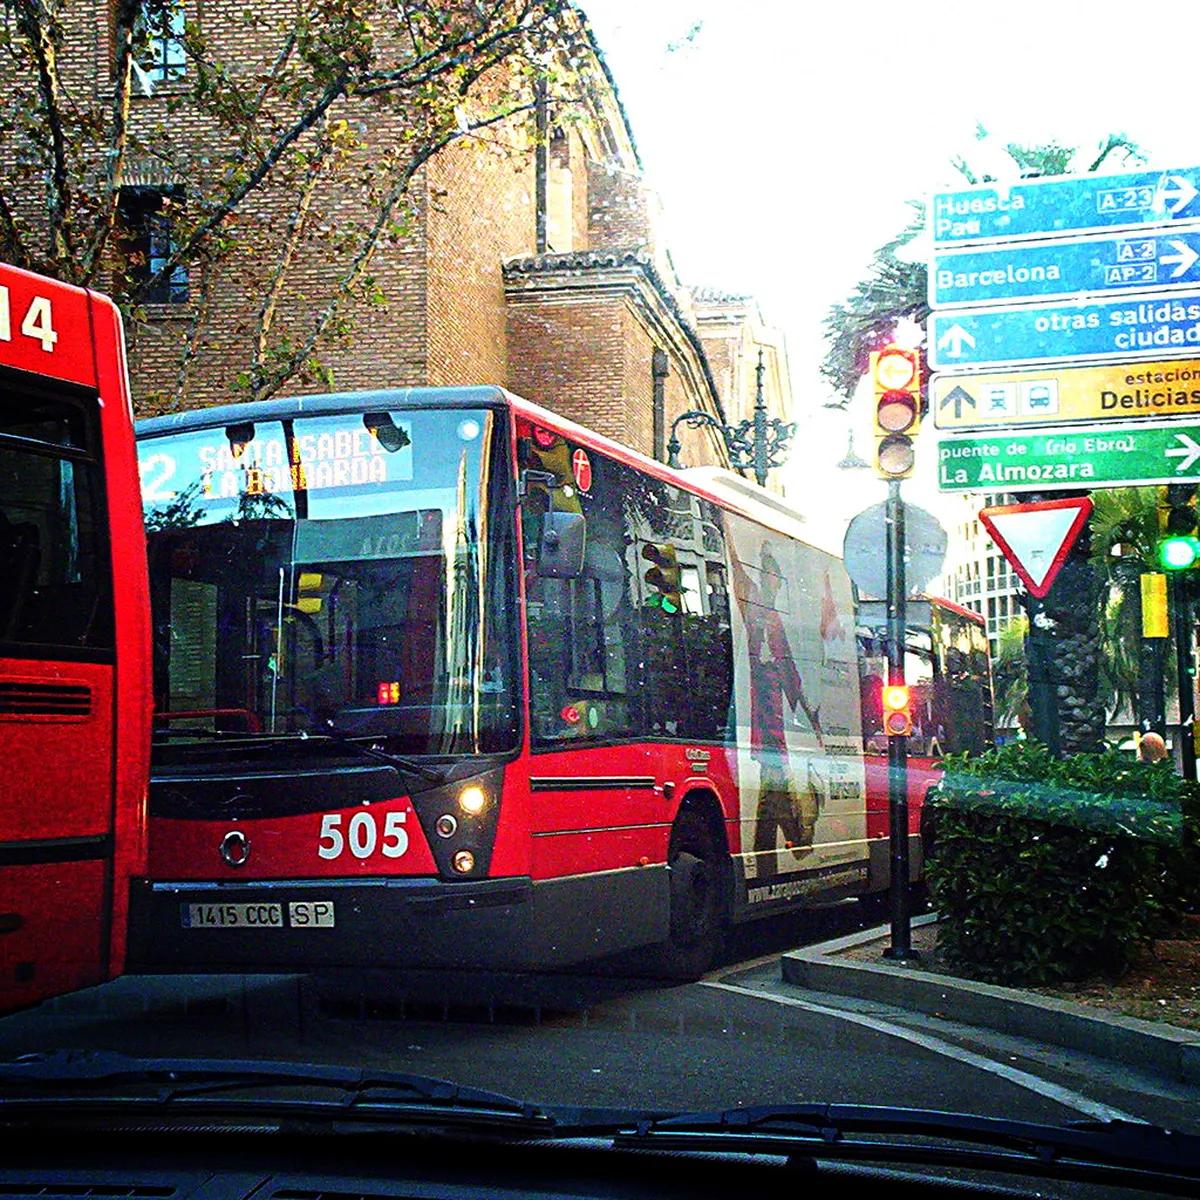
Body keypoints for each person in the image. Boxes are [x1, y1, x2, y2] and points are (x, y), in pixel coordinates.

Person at [732, 542, 824, 879]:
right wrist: (727, 534)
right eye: (770, 577)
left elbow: (791, 675)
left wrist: (810, 716)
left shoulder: (775, 620)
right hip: (763, 720)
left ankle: (773, 860)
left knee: (771, 799)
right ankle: (797, 840)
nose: (773, 583)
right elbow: (738, 573)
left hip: (774, 724)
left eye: (777, 579)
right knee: (773, 794)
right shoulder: (753, 607)